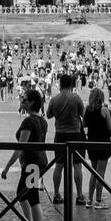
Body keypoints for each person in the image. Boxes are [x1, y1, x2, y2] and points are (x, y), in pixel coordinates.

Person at [1, 87, 50, 221]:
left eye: (25, 100)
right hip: (38, 162)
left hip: (32, 163)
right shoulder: (42, 120)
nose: (22, 101)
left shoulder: (29, 121)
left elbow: (21, 146)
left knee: (30, 196)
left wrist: (7, 167)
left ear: (32, 103)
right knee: (25, 194)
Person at [47, 72, 86, 205]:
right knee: (77, 165)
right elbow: (83, 114)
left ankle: (57, 194)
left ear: (60, 84)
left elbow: (48, 115)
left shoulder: (54, 99)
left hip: (60, 134)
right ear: (71, 85)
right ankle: (80, 195)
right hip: (75, 134)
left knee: (59, 165)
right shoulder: (76, 98)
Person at [83, 87, 111, 208]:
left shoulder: (87, 109)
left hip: (91, 143)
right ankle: (98, 200)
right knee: (100, 173)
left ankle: (89, 199)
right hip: (103, 143)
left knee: (93, 172)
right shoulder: (104, 110)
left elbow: (84, 124)